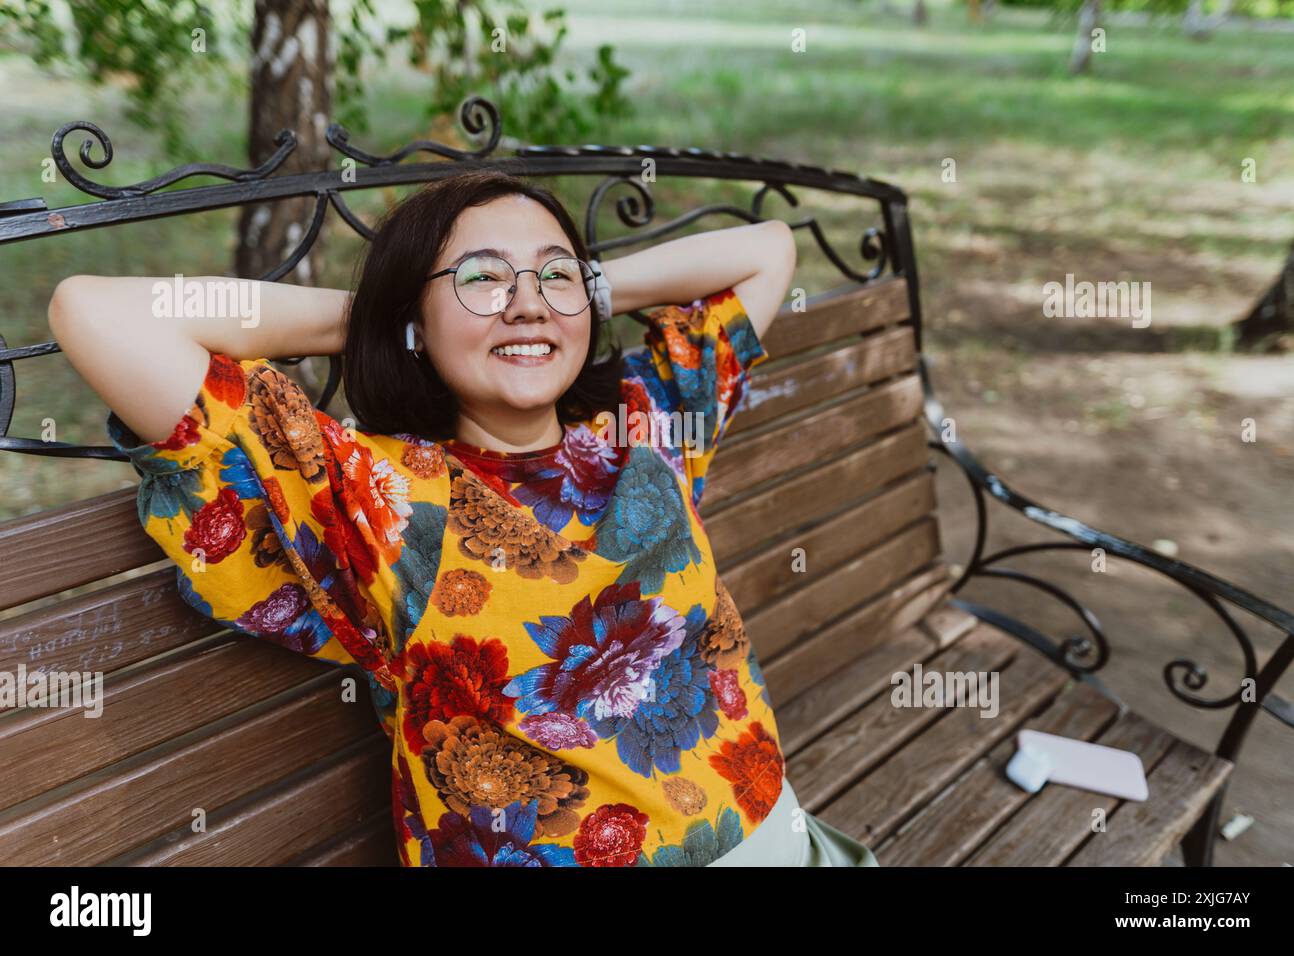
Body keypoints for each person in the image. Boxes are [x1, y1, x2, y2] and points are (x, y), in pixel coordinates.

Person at [48, 169, 878, 868]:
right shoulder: (377, 497)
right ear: (417, 315)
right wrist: (385, 312)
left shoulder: (642, 425)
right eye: (483, 278)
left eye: (556, 274)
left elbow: (768, 252)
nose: (525, 304)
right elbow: (95, 312)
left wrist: (572, 293)